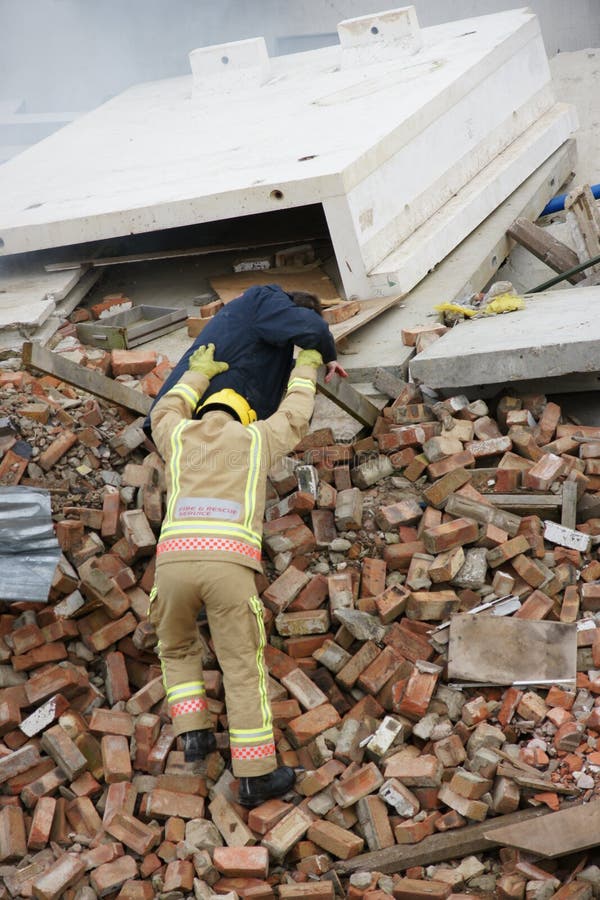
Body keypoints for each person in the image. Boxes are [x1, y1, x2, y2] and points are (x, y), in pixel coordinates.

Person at [148, 341, 322, 807]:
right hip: (229, 566)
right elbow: (296, 412)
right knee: (242, 668)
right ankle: (255, 775)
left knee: (177, 646)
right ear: (245, 416)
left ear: (204, 413)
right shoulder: (255, 439)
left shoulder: (178, 436)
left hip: (172, 568)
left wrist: (197, 373)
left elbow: (163, 408)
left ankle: (193, 734)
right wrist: (306, 364)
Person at [144, 283, 347, 440]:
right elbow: (315, 329)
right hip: (202, 424)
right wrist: (328, 355)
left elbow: (257, 365)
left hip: (174, 425)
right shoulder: (268, 300)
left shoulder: (250, 319)